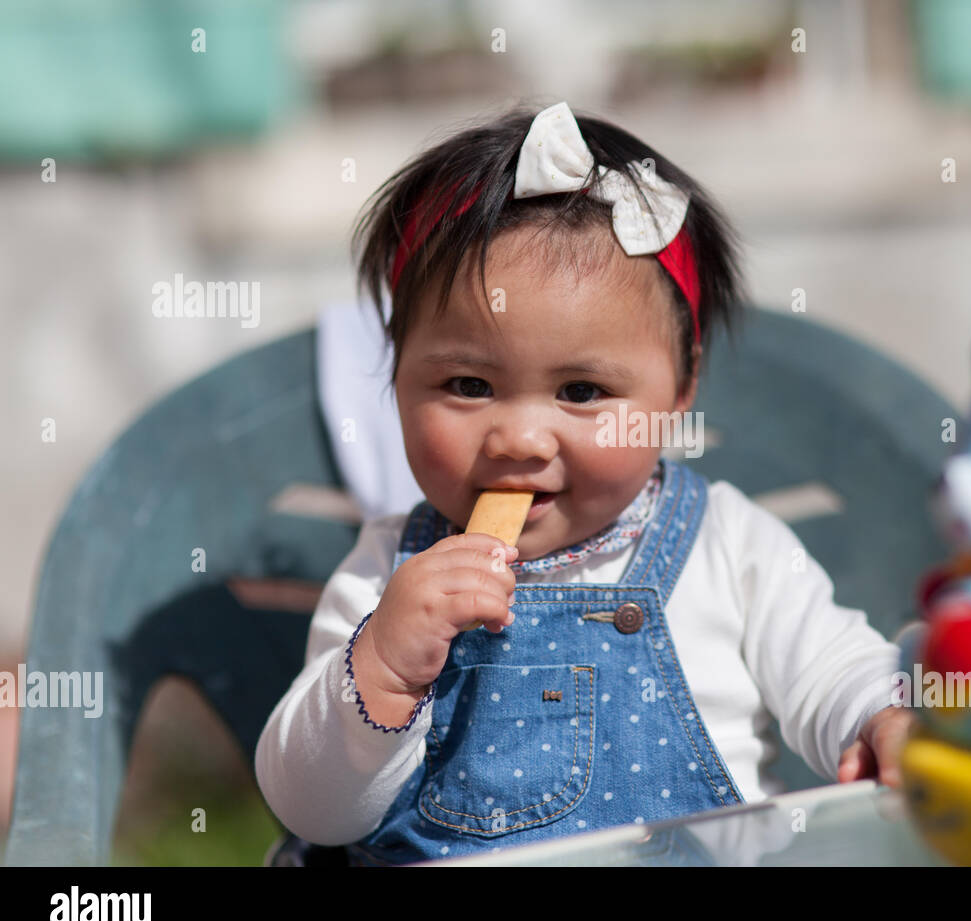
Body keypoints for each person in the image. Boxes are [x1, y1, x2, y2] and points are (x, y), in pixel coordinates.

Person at [255, 101, 911, 865]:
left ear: (681, 386)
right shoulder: (387, 572)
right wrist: (383, 671)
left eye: (581, 393)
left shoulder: (728, 544)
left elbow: (836, 668)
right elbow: (311, 807)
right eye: (468, 384)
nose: (521, 440)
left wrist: (881, 718)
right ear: (396, 374)